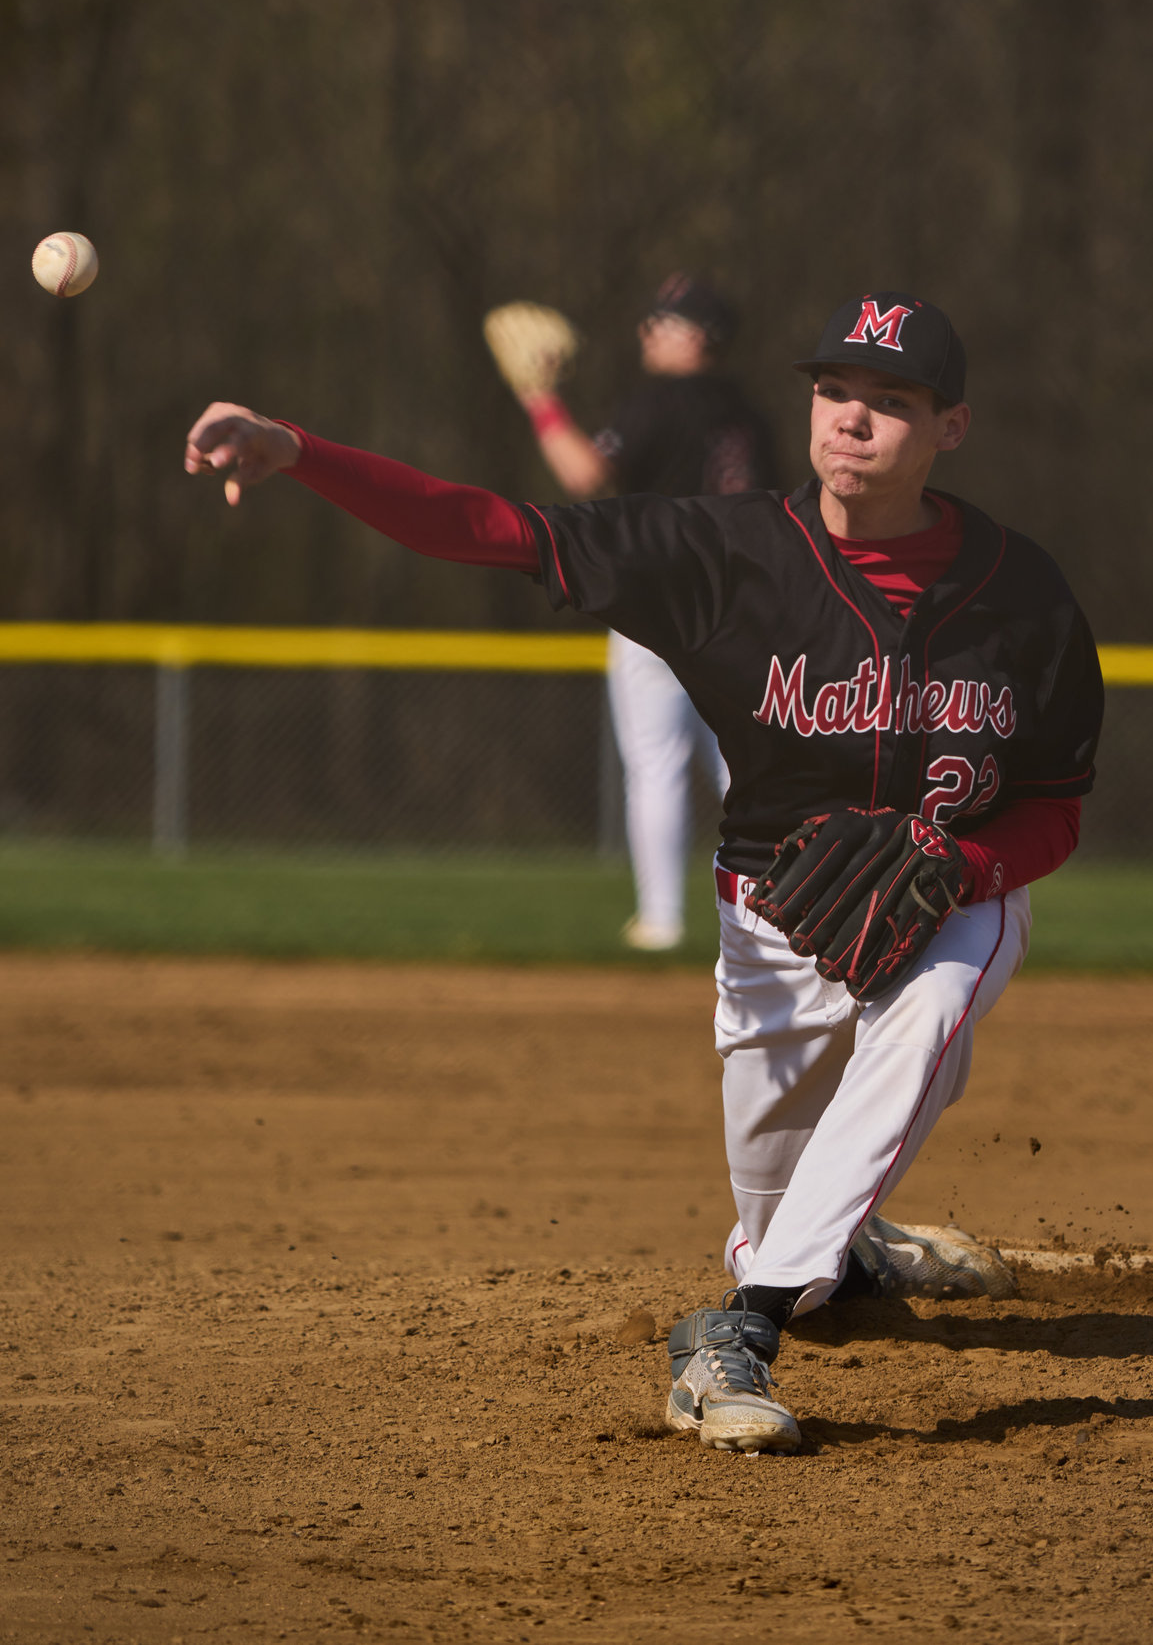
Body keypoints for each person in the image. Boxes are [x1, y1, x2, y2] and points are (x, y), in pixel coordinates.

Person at [185, 289, 1103, 1455]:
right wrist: (298, 451)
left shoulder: (1023, 592)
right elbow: (490, 526)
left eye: (889, 400)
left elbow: (1055, 805)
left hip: (951, 903)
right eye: (832, 391)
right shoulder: (722, 551)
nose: (850, 418)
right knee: (779, 1221)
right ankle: (844, 1252)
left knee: (928, 1009)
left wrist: (966, 862)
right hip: (773, 920)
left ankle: (734, 1333)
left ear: (949, 427)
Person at [518, 274, 779, 951]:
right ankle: (783, 908)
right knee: (747, 766)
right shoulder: (750, 413)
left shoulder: (658, 401)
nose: (647, 332)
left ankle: (661, 921)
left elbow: (582, 473)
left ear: (699, 338)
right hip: (742, 608)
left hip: (658, 605)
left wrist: (540, 400)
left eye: (663, 322)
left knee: (656, 764)